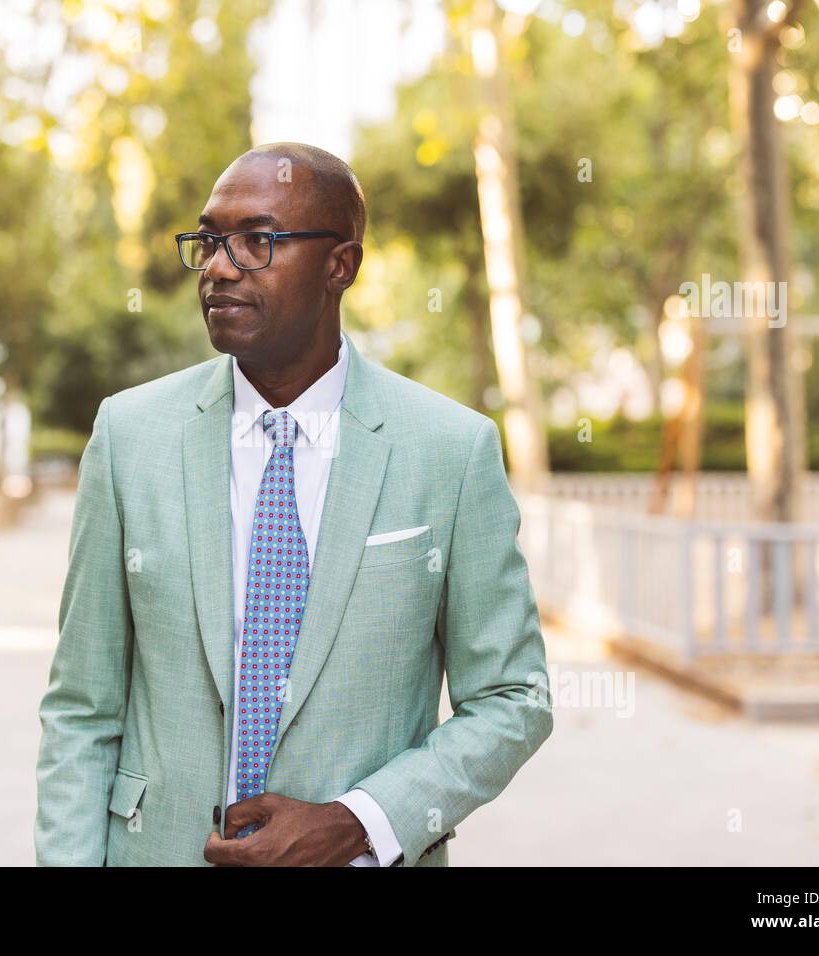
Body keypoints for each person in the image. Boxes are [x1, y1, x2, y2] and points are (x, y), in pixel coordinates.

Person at [35, 142, 553, 866]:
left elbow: (512, 697)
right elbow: (81, 710)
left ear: (341, 265)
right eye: (211, 241)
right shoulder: (129, 436)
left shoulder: (451, 450)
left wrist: (359, 821)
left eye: (257, 241)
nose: (218, 266)